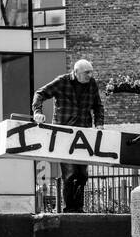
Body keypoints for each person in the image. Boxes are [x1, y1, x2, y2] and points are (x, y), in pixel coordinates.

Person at [31, 58, 104, 214]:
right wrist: (37, 113)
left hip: (83, 135)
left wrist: (99, 124)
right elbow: (40, 94)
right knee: (70, 173)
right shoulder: (62, 81)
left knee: (82, 174)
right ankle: (69, 209)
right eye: (86, 73)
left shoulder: (92, 84)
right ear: (76, 72)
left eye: (91, 72)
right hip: (64, 135)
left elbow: (98, 106)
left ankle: (78, 208)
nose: (90, 75)